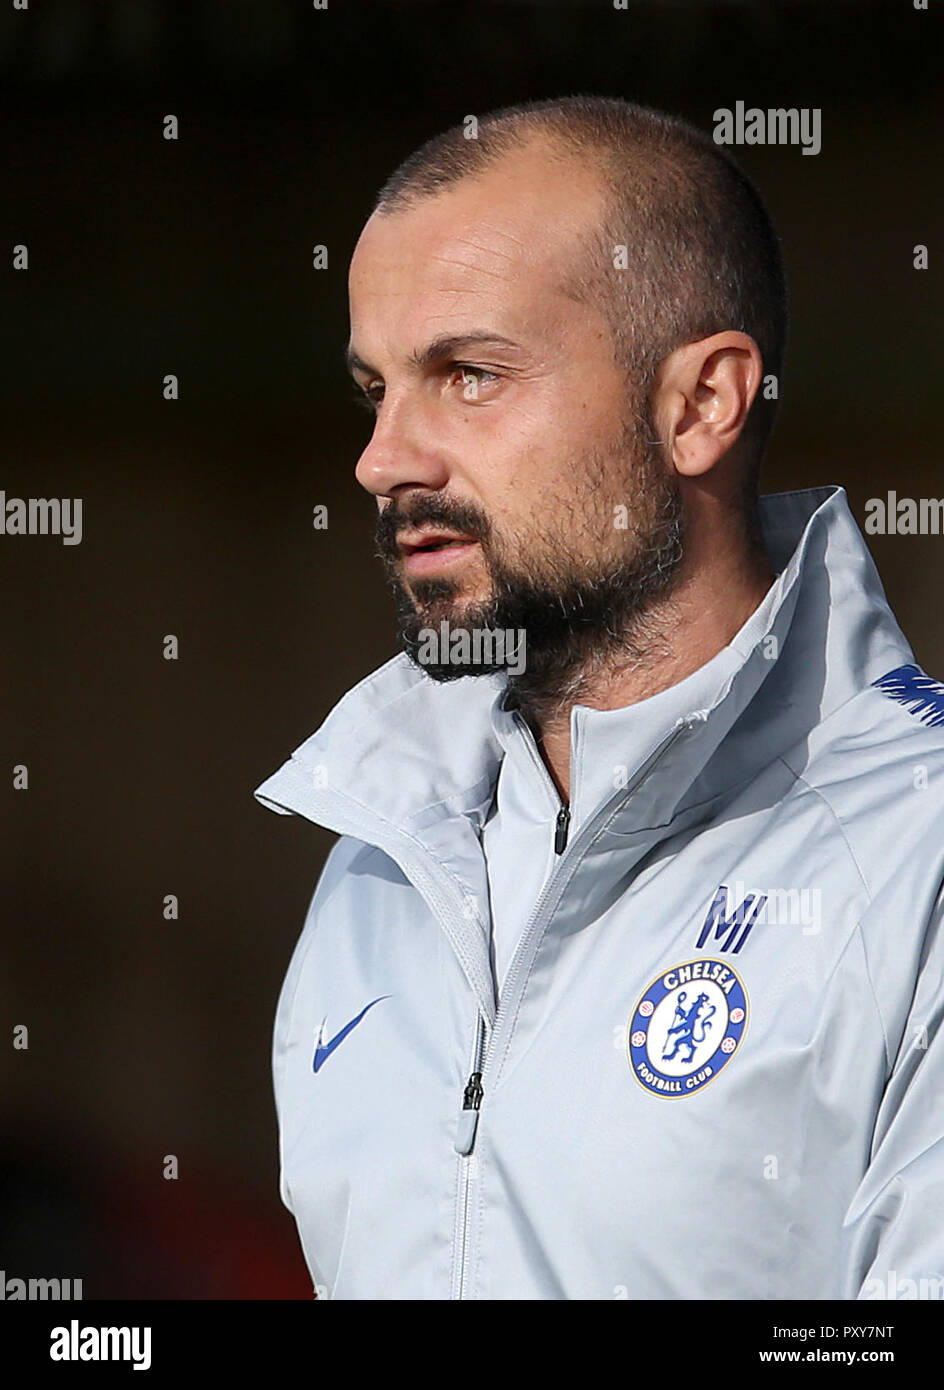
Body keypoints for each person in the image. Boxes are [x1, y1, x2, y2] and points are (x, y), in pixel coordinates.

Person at [255, 96, 944, 1300]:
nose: (381, 458)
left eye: (466, 375)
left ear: (699, 405)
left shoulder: (911, 855)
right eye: (375, 390)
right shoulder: (377, 856)